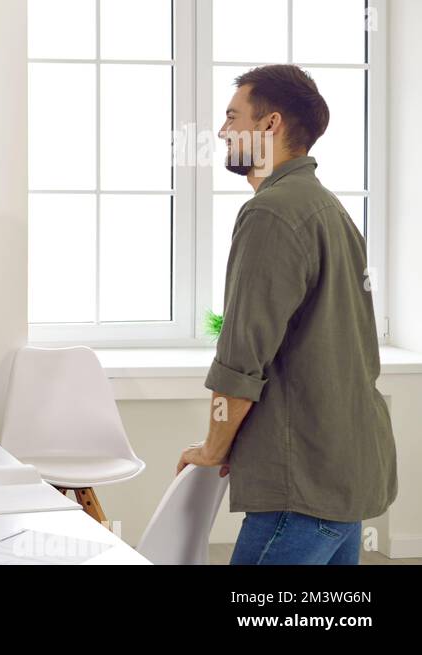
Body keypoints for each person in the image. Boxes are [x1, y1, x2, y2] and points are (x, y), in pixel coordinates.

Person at [177, 65, 397, 565]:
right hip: (345, 472)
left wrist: (213, 447)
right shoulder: (327, 208)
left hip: (302, 483)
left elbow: (240, 359)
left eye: (233, 117)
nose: (222, 131)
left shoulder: (271, 213)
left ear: (270, 124)